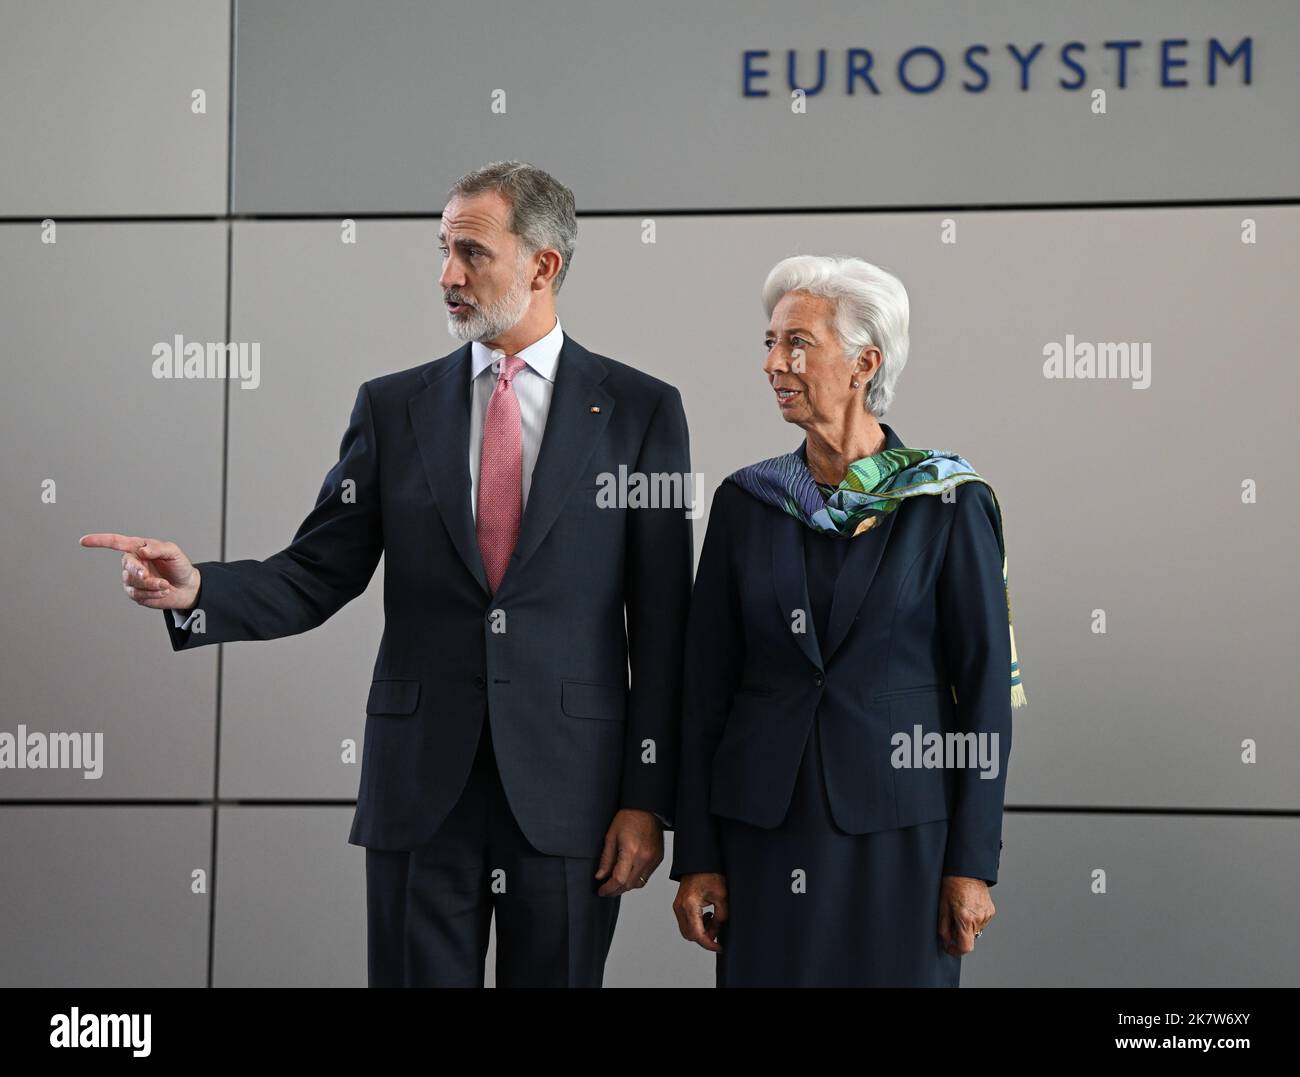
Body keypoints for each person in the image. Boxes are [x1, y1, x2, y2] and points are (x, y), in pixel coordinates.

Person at [82, 161, 693, 987]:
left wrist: (645, 799)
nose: (447, 275)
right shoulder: (393, 406)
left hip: (573, 795)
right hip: (420, 791)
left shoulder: (641, 409)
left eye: (470, 252)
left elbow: (663, 629)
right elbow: (315, 572)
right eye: (442, 249)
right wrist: (198, 590)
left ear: (543, 265)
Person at [670, 254, 1024, 987]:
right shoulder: (749, 501)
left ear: (866, 362)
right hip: (765, 833)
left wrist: (971, 863)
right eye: (769, 342)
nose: (774, 362)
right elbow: (704, 691)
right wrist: (698, 853)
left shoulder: (948, 502)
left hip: (903, 837)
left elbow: (984, 693)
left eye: (797, 342)